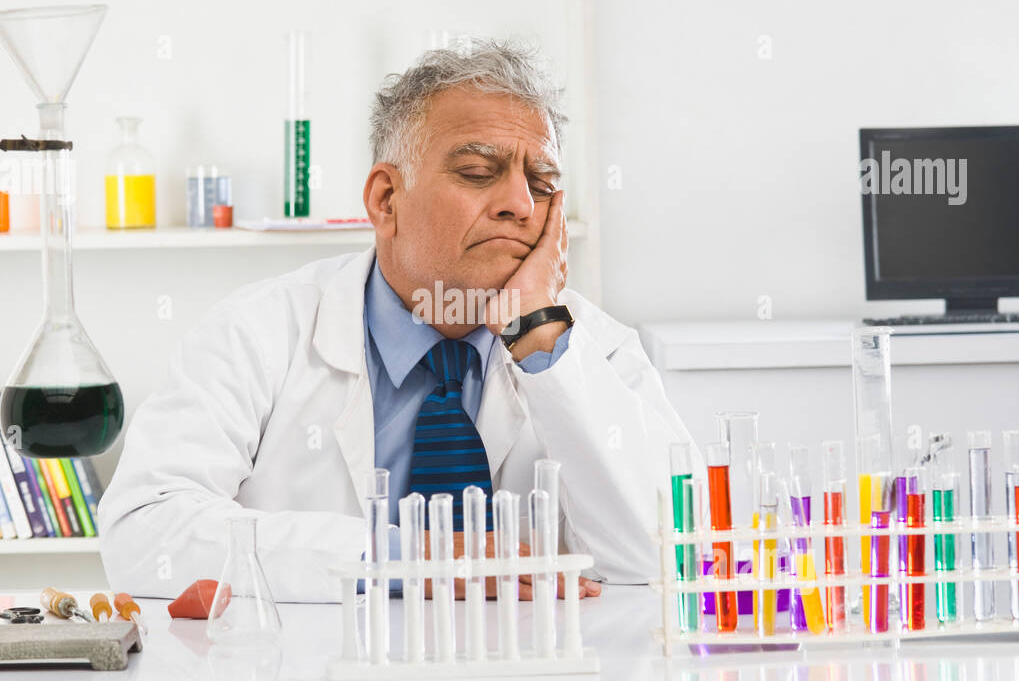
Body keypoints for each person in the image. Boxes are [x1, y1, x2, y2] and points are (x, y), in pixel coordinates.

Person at [98, 38, 697, 602]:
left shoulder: (593, 351)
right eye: (478, 173)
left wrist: (539, 331)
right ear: (386, 200)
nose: (520, 205)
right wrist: (407, 558)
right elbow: (145, 533)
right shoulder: (255, 333)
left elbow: (668, 559)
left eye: (541, 184)